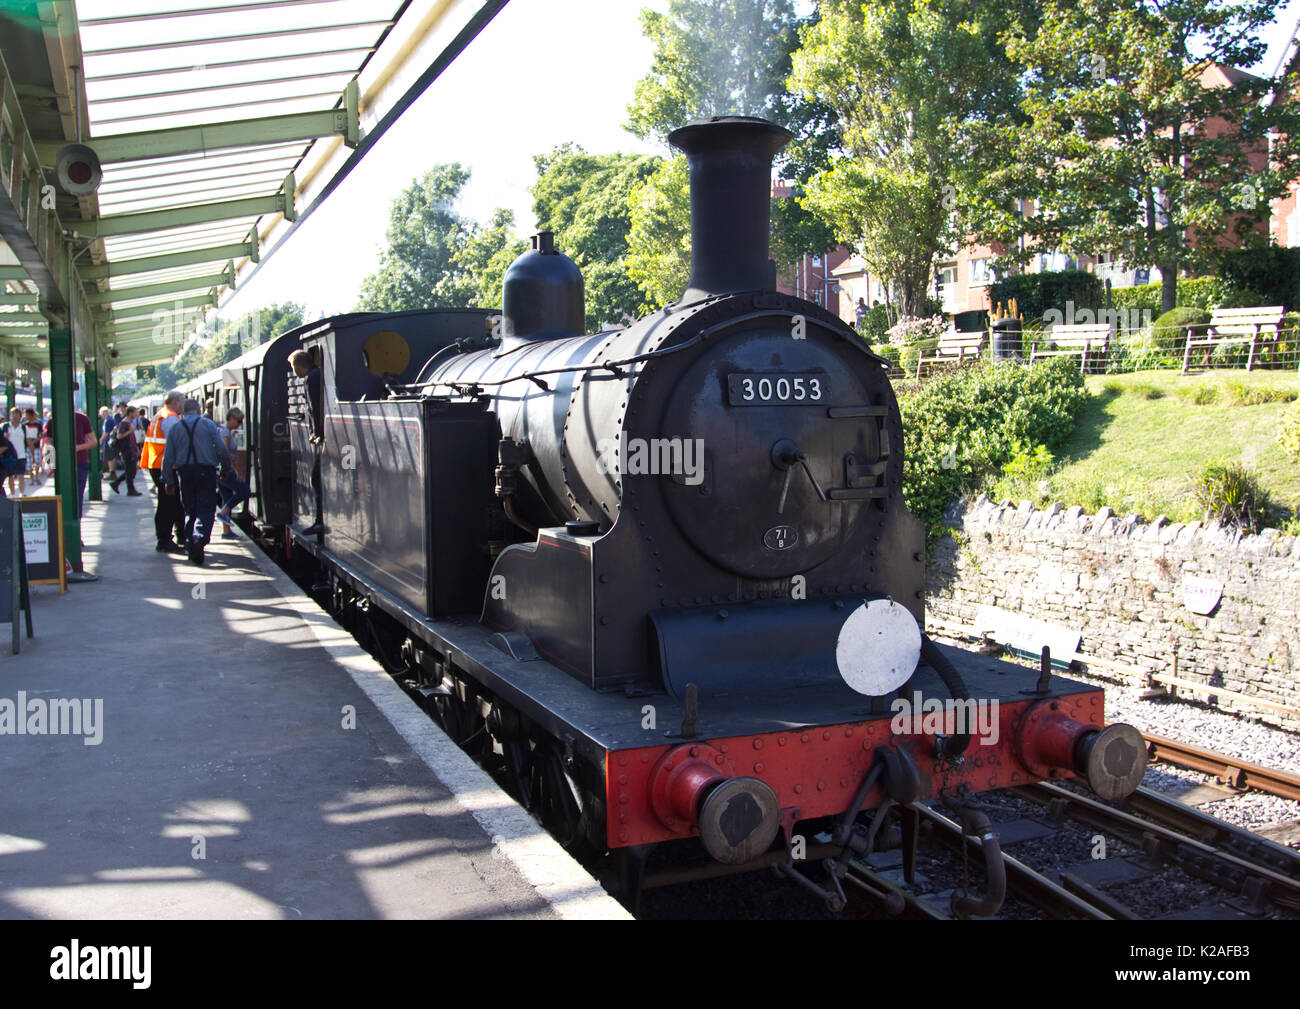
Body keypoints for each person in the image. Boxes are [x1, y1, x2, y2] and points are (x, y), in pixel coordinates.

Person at [160, 398, 232, 566]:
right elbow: (221, 448)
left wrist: (168, 480)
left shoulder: (176, 427)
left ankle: (190, 541)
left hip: (184, 473)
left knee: (189, 509)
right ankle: (199, 537)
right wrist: (225, 468)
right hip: (205, 471)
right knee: (205, 508)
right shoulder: (208, 424)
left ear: (183, 411)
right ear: (198, 410)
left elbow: (168, 457)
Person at [140, 392, 187, 553]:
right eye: (182, 401)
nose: (184, 405)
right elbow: (175, 444)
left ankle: (178, 535)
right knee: (168, 504)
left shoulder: (161, 415)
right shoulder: (170, 418)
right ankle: (164, 540)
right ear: (175, 402)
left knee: (171, 503)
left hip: (157, 463)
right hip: (165, 466)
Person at [290, 349, 326, 536]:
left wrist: (317, 432)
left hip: (321, 437)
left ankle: (320, 521)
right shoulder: (315, 375)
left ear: (298, 365)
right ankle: (319, 519)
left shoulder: (312, 377)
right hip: (320, 435)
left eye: (293, 367)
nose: (293, 371)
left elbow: (315, 407)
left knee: (316, 478)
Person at [214, 406, 250, 539]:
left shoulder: (222, 430)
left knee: (227, 497)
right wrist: (236, 469)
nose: (240, 424)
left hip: (218, 470)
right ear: (232, 418)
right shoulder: (225, 433)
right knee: (244, 491)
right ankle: (223, 513)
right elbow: (225, 452)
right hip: (226, 470)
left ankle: (226, 531)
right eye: (239, 421)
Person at [108, 411, 141, 496]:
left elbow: (132, 439)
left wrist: (136, 448)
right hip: (126, 450)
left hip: (131, 449)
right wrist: (129, 431)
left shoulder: (129, 423)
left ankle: (117, 484)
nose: (137, 414)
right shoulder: (124, 423)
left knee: (131, 470)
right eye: (135, 412)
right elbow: (119, 436)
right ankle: (129, 489)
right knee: (130, 470)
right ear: (131, 413)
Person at [2, 408, 27, 497]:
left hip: (21, 454)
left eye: (16, 414)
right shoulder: (5, 426)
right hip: (10, 455)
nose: (14, 416)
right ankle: (12, 494)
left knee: (21, 475)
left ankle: (22, 493)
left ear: (20, 416)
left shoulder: (23, 427)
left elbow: (26, 441)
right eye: (12, 414)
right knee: (10, 476)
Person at [23, 408, 41, 483]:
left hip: (36, 446)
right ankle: (31, 478)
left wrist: (35, 441)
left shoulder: (38, 424)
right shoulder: (24, 425)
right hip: (27, 446)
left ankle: (36, 477)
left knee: (36, 462)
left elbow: (41, 434)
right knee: (29, 462)